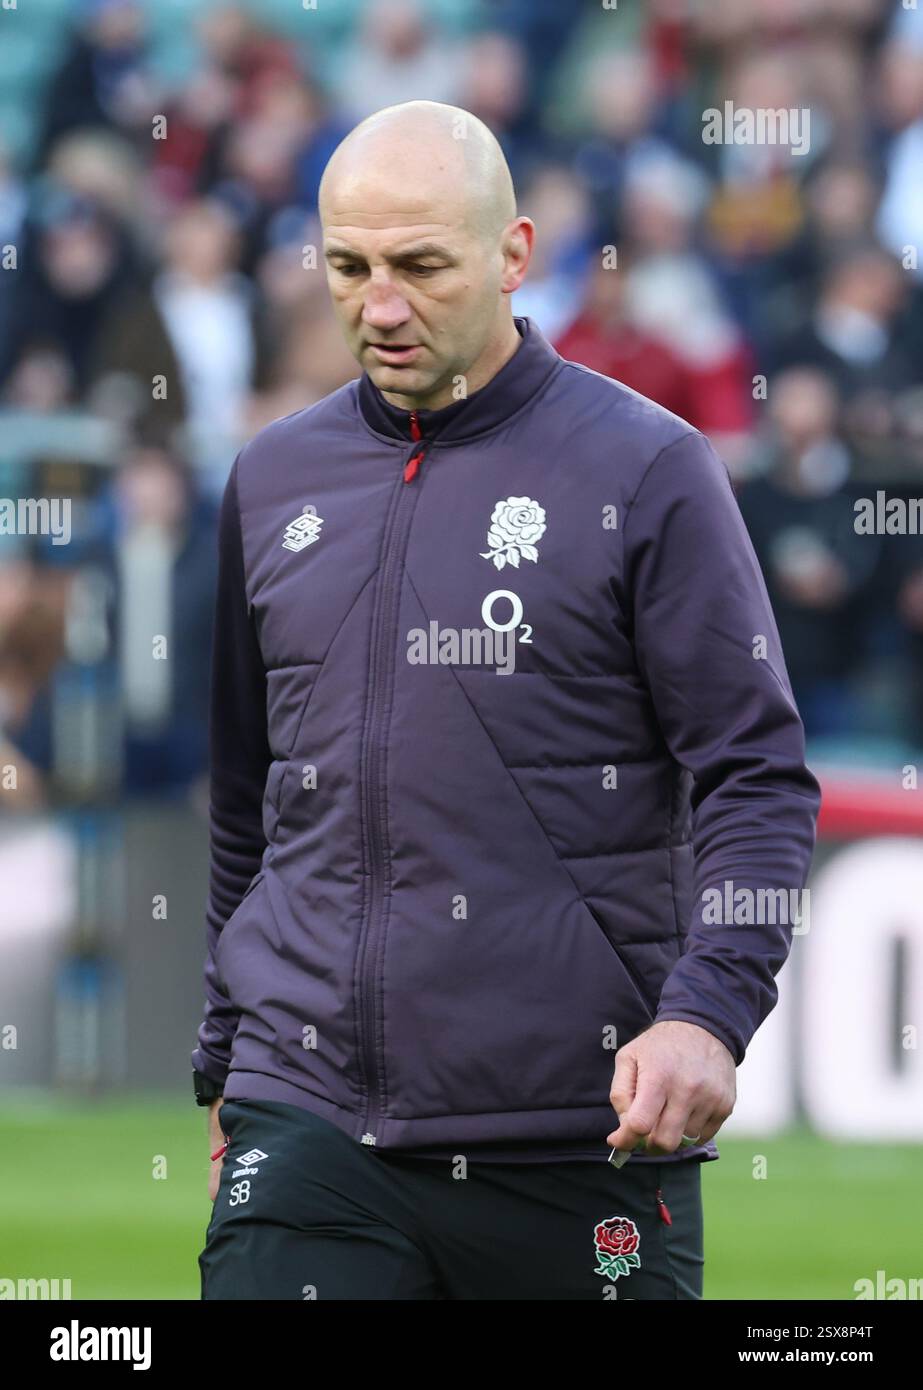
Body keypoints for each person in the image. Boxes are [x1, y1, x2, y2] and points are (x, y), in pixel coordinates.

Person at [193, 100, 821, 1301]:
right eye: (349, 267)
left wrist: (707, 1015)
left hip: (577, 1133)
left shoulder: (646, 468)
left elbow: (755, 771)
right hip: (309, 1119)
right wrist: (230, 1049)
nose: (379, 305)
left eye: (419, 266)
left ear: (513, 253)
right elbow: (246, 794)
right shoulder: (272, 478)